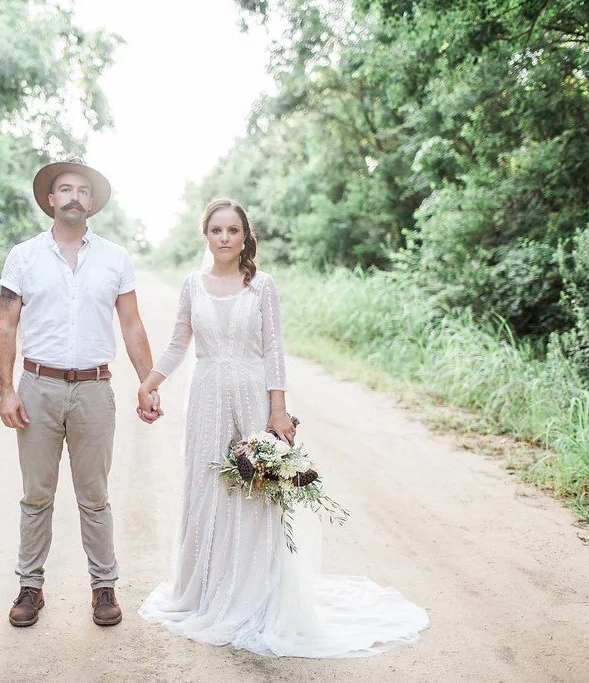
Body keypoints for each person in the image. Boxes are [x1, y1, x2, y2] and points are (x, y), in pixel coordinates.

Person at [136, 198, 429, 657]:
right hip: (208, 393)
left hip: (253, 390)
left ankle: (257, 592)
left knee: (256, 488)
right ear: (206, 235)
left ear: (245, 236)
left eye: (233, 230)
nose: (225, 238)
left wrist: (278, 410)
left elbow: (274, 350)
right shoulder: (193, 285)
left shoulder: (262, 286)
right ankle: (208, 591)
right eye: (217, 230)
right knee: (208, 485)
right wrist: (149, 383)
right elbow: (177, 343)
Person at [0, 159, 161, 629]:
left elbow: (131, 324)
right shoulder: (23, 256)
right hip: (38, 387)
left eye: (81, 190)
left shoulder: (115, 257)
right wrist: (7, 390)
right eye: (63, 189)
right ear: (50, 199)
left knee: (94, 496)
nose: (72, 196)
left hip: (93, 390)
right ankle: (30, 586)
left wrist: (148, 383)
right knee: (36, 495)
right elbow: (6, 323)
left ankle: (103, 587)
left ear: (92, 202)